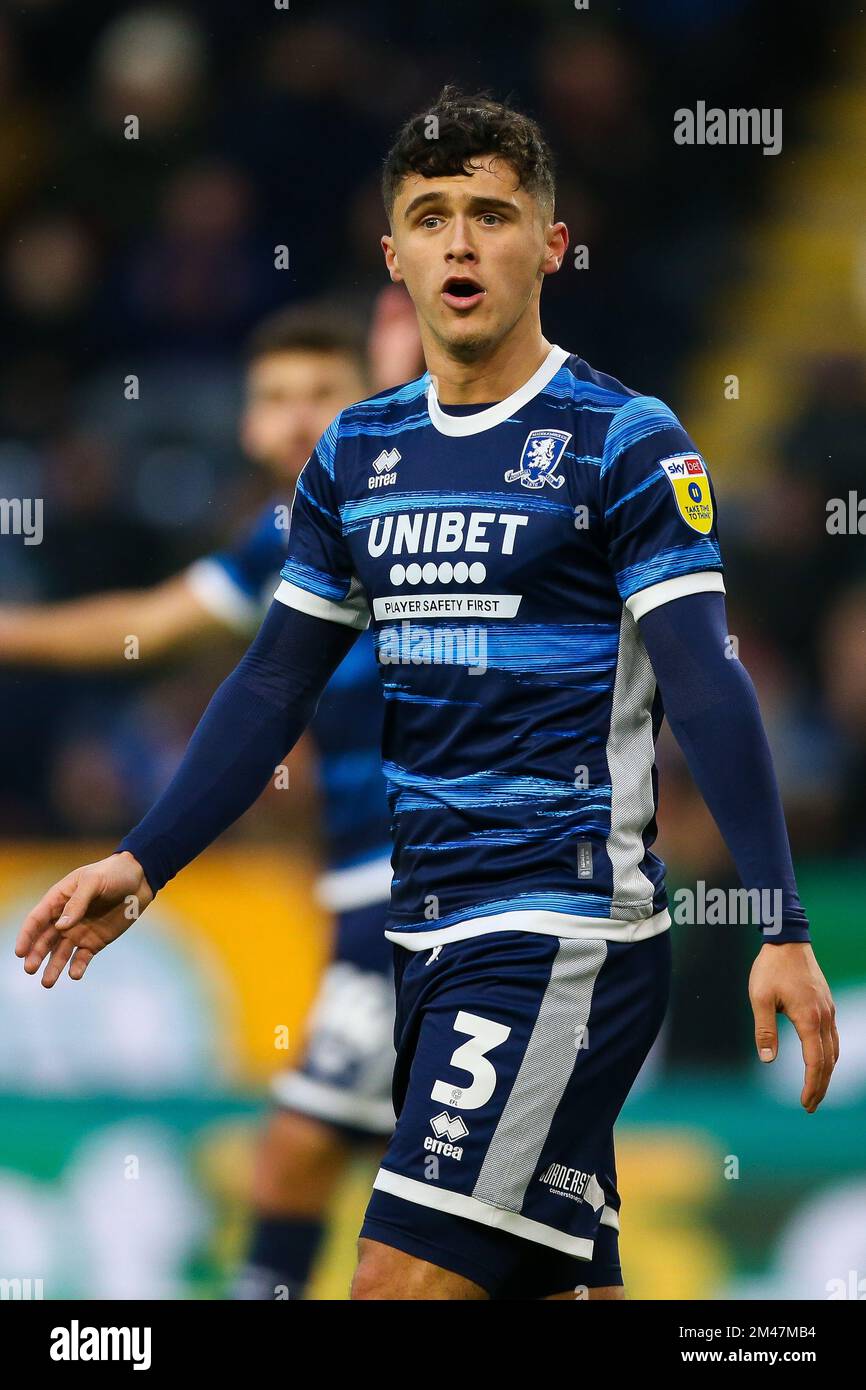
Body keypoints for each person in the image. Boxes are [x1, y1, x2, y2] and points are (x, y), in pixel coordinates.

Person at [16, 86, 838, 1302]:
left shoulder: (623, 438)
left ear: (550, 245)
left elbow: (704, 682)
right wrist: (144, 860)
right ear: (391, 252)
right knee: (549, 1287)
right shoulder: (356, 454)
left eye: (493, 216)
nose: (461, 243)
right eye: (432, 216)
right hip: (426, 939)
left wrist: (781, 921)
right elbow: (271, 679)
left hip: (561, 930)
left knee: (393, 1281)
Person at [3, 290, 424, 1300]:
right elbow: (157, 621)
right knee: (428, 1203)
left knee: (309, 1156)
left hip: (430, 896)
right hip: (368, 897)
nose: (290, 420)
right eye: (272, 397)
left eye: (318, 394)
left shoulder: (412, 495)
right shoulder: (294, 529)